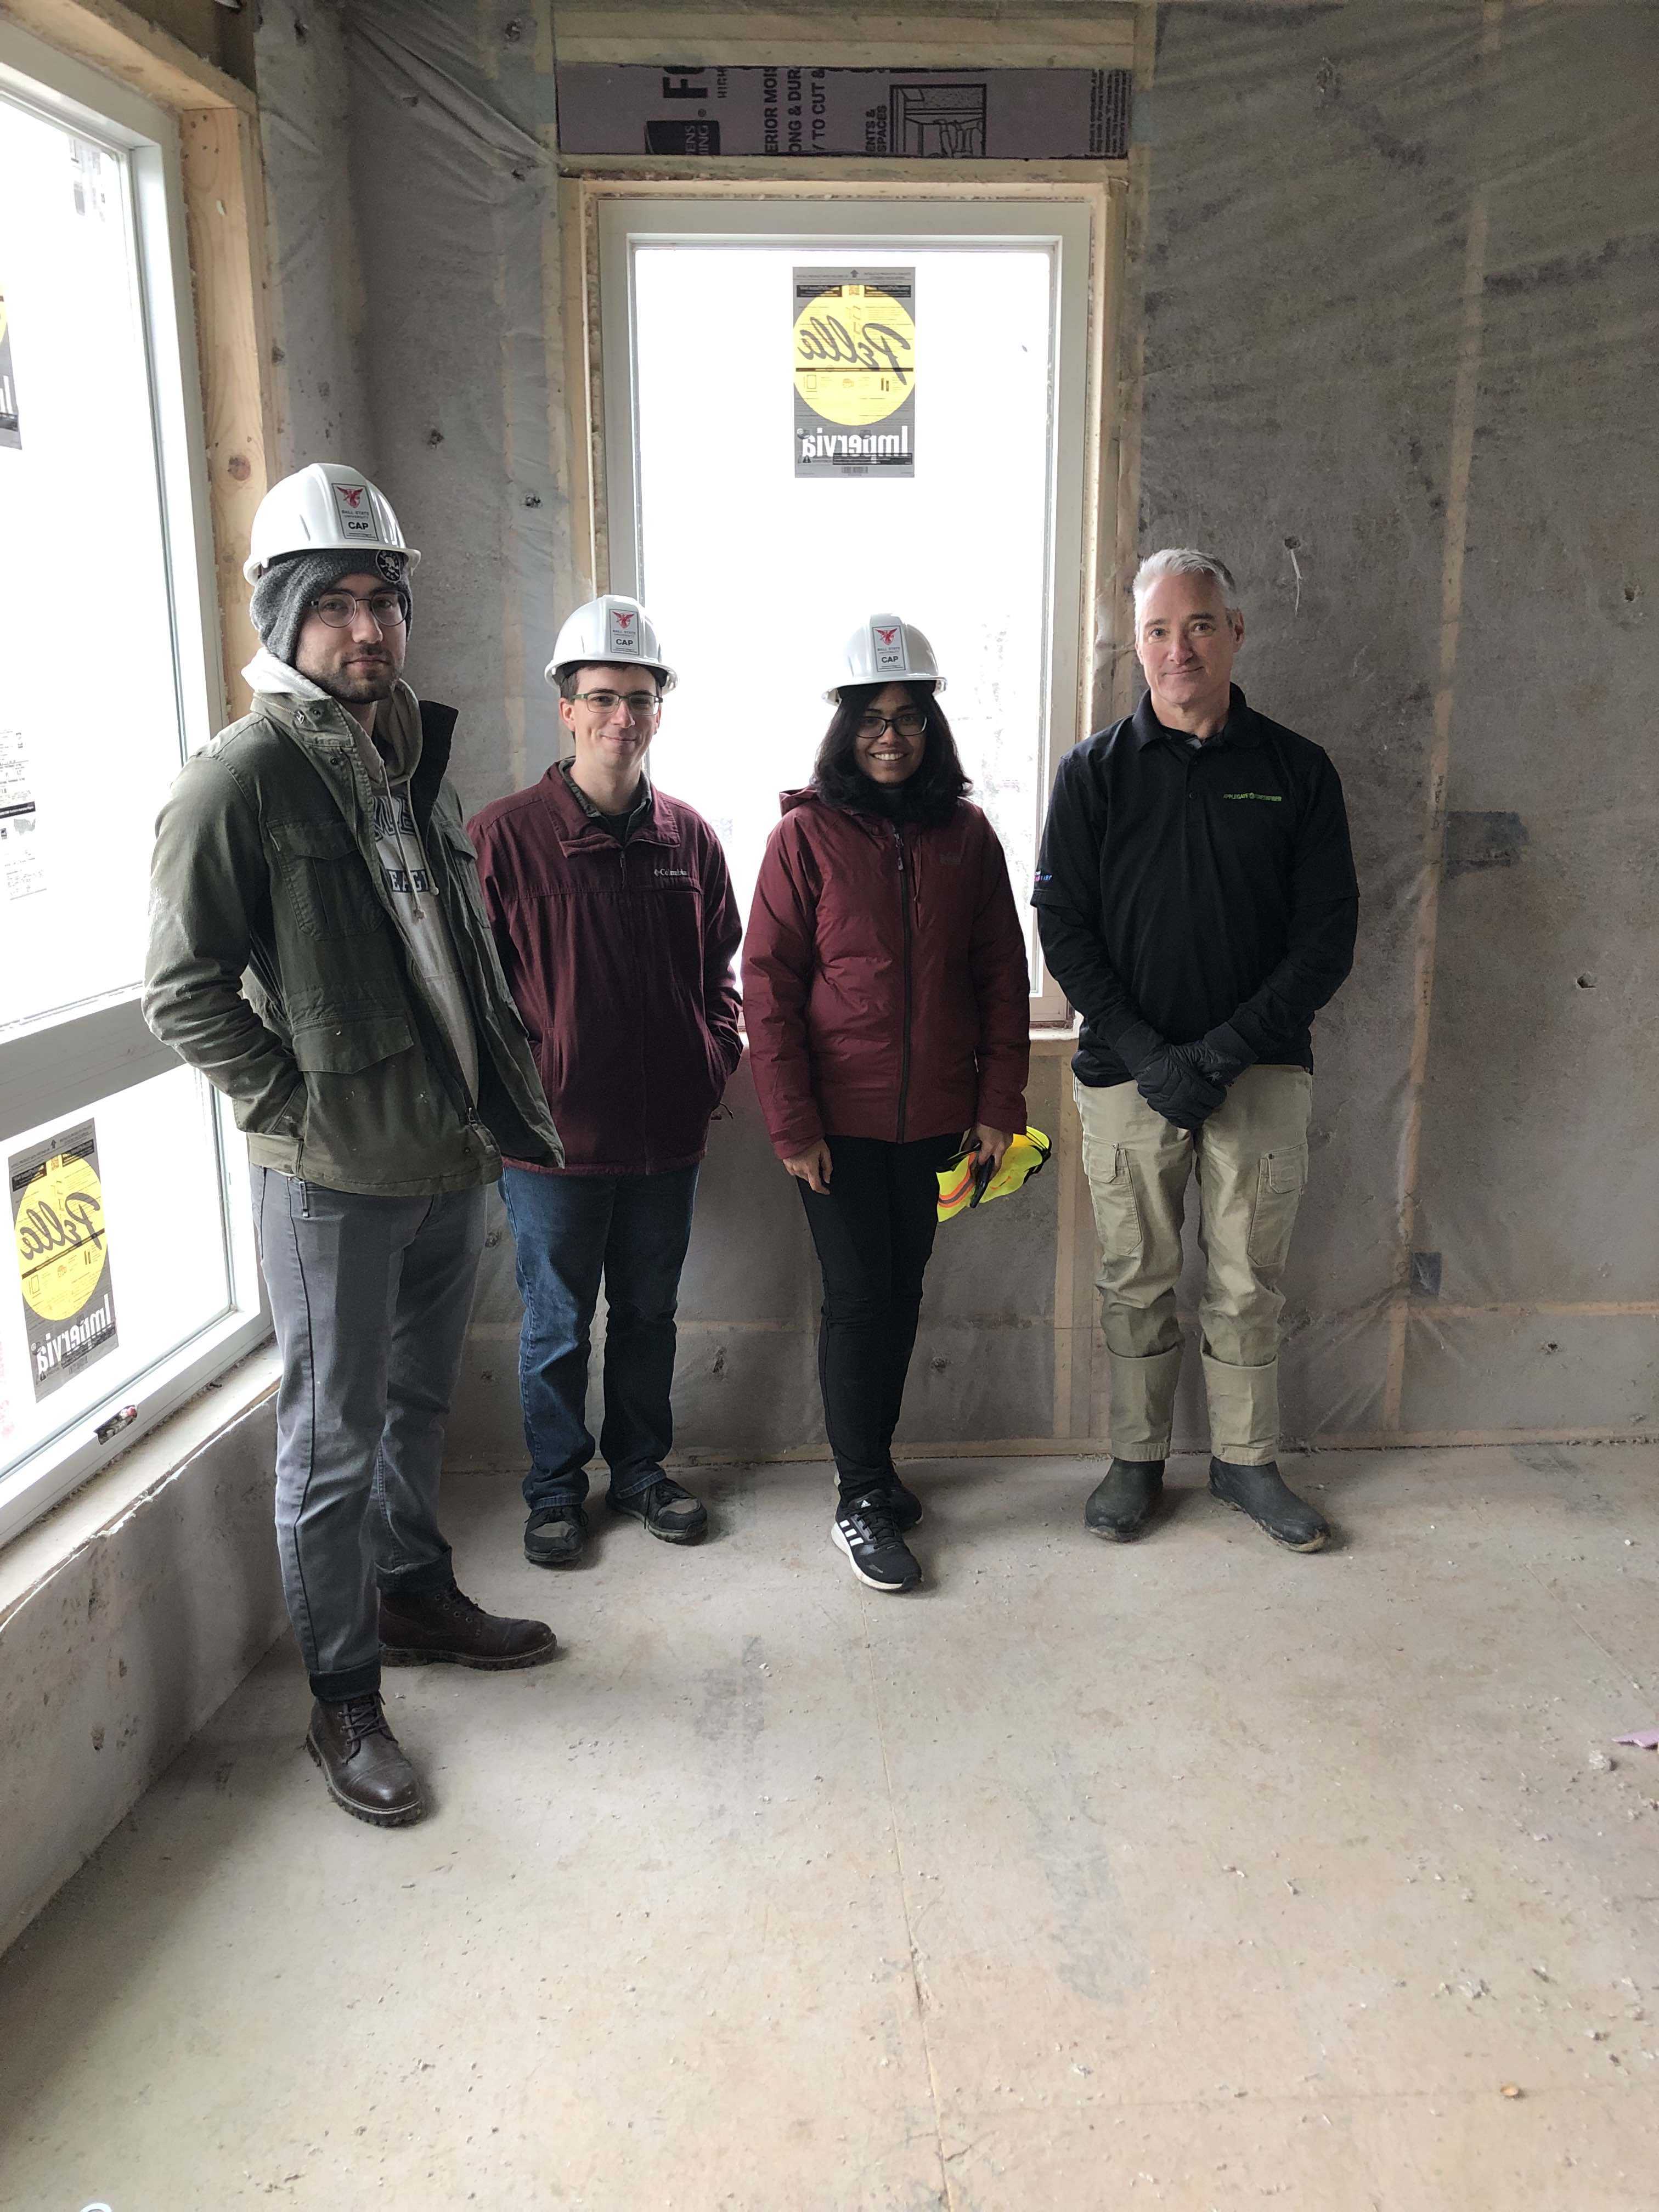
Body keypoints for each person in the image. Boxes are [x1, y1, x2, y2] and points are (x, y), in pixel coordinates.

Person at [144, 462, 562, 1830]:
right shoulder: (240, 776)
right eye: (336, 604)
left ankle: (415, 1590)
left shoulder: (409, 760)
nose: (369, 629)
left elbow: (457, 951)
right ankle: (341, 1694)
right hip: (332, 1179)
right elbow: (182, 988)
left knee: (418, 1407)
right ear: (282, 613)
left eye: (384, 600)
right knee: (327, 1441)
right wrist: (293, 1116)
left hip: (444, 1155)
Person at [1034, 547, 1358, 1551]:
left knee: (1248, 1278)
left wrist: (1215, 1056)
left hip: (1259, 1074)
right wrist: (1149, 1053)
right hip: (1127, 1078)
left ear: (1236, 633)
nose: (1181, 648)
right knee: (1134, 1274)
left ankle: (1246, 1463)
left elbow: (1327, 940)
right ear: (1137, 645)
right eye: (1160, 631)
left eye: (1200, 625)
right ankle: (1137, 1460)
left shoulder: (1295, 771)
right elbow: (1064, 927)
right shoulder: (1093, 774)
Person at [744, 614, 1029, 1594]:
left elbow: (1001, 976)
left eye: (909, 716)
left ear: (931, 725)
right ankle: (858, 1497)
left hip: (938, 1124)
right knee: (860, 1300)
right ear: (844, 727)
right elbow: (768, 989)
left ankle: (876, 1467)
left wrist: (998, 1109)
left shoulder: (967, 835)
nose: (891, 736)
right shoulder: (804, 839)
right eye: (872, 717)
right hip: (839, 1132)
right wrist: (793, 1127)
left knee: (901, 1296)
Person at [467, 596, 742, 1568]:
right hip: (552, 1148)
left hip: (667, 1139)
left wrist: (713, 1060)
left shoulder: (692, 841)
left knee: (651, 1316)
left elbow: (721, 978)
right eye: (601, 698)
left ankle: (640, 1472)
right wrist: (521, 1102)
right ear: (566, 710)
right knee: (553, 1329)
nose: (621, 718)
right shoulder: (500, 840)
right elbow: (474, 999)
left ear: (659, 709)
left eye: (639, 697)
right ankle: (553, 1491)